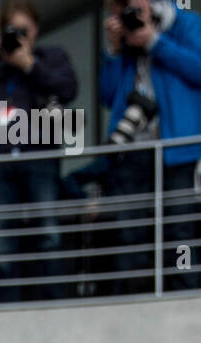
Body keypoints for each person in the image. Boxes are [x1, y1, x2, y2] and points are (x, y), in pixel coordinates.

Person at [0, 2, 78, 302]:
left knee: (48, 233)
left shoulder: (50, 57)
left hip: (40, 158)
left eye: (24, 31)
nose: (18, 37)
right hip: (2, 163)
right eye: (12, 32)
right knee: (2, 240)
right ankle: (8, 306)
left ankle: (54, 302)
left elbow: (68, 89)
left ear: (35, 31)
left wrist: (28, 63)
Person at [101, 0, 201, 295]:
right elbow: (108, 95)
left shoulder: (185, 24)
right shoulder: (124, 42)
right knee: (131, 231)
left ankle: (185, 293)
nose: (128, 12)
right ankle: (135, 299)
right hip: (132, 150)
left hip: (176, 148)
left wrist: (155, 42)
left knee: (180, 229)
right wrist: (114, 50)